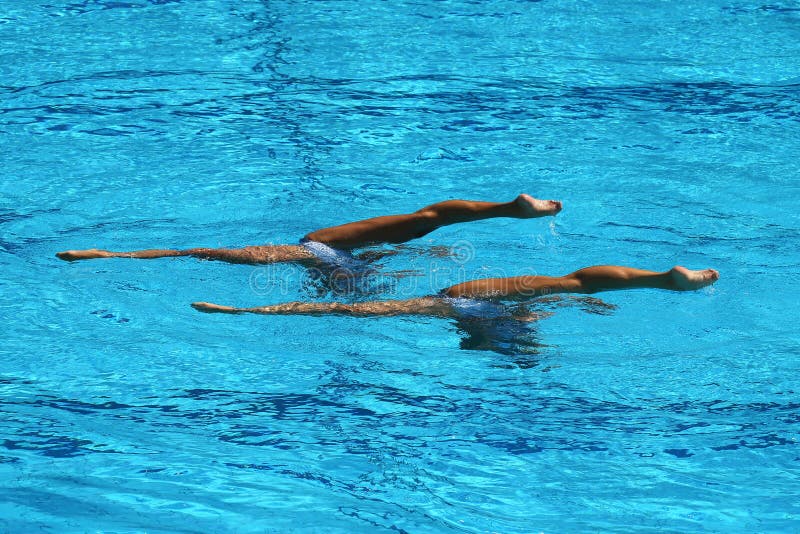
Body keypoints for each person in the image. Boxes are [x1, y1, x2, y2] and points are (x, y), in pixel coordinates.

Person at [55, 194, 563, 266]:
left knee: (426, 222)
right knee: (426, 222)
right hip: (326, 249)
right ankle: (112, 256)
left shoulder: (324, 264)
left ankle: (113, 256)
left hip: (328, 251)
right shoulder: (320, 260)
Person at [190, 265, 720, 319]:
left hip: (467, 294)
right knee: (575, 283)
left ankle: (661, 282)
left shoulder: (473, 313)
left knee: (576, 285)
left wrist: (243, 310)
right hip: (468, 290)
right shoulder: (475, 311)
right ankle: (660, 281)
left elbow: (333, 311)